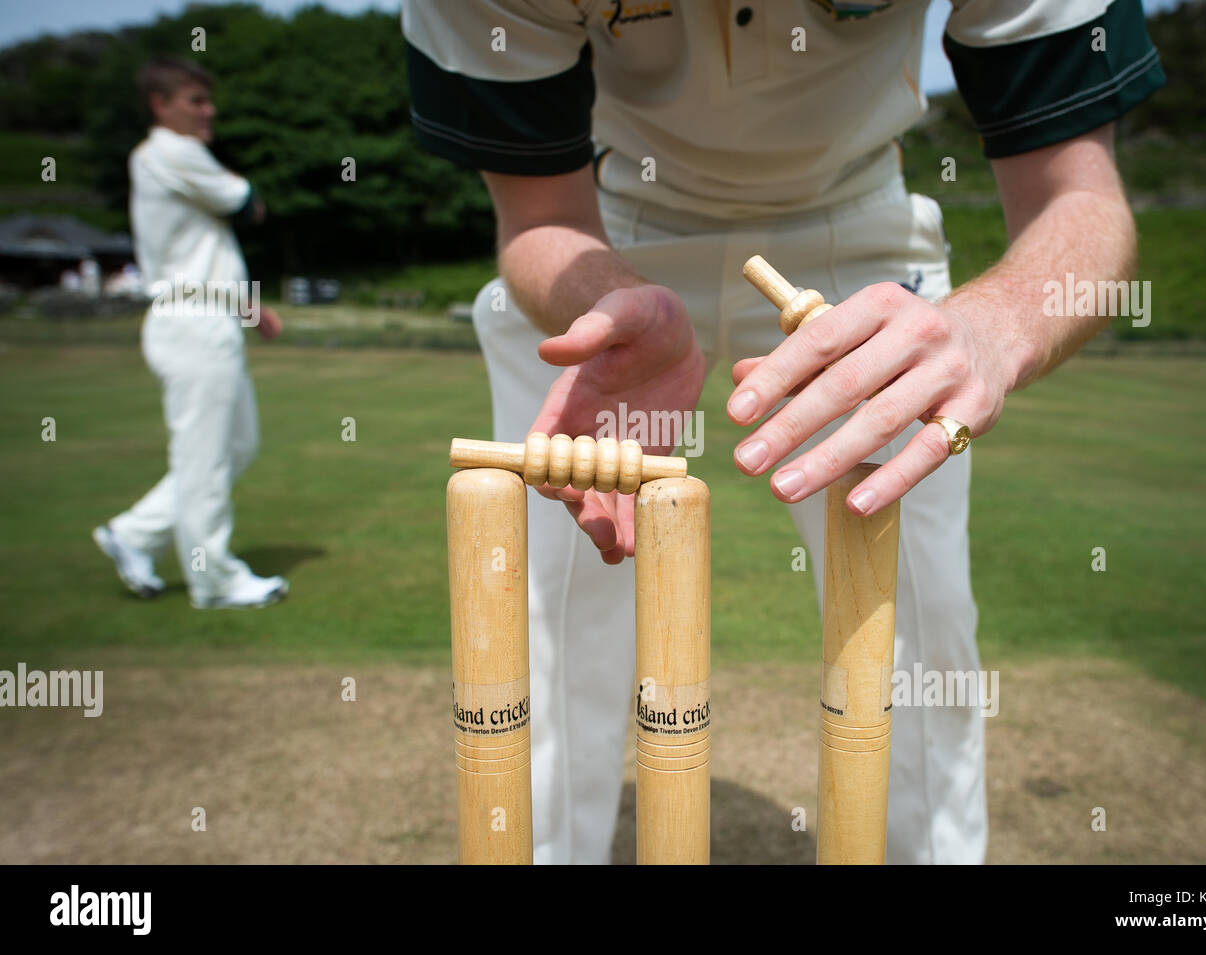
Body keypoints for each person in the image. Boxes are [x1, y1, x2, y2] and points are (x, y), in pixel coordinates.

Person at [404, 0, 1164, 862]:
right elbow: (540, 212)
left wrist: (992, 327)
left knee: (915, 622)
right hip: (608, 245)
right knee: (547, 603)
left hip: (860, 232)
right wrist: (599, 297)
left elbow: (1079, 197)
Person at [93, 56, 288, 610]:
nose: (209, 110)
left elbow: (208, 249)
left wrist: (248, 306)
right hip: (191, 320)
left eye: (208, 99)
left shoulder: (173, 156)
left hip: (209, 313)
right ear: (160, 105)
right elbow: (249, 205)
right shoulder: (168, 151)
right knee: (203, 457)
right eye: (195, 100)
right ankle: (216, 580)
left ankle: (133, 533)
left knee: (236, 447)